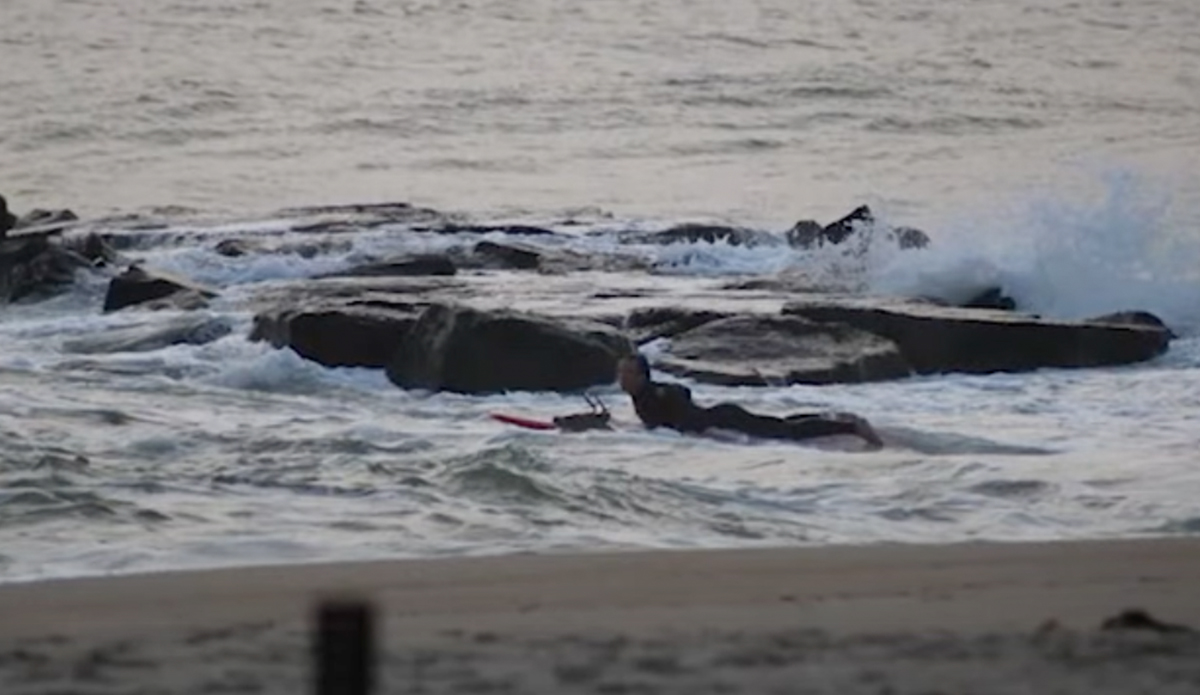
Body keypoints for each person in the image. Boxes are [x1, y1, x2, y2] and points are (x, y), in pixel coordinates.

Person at [616, 353, 883, 448]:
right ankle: (837, 418)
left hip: (725, 419)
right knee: (780, 425)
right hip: (721, 418)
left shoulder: (652, 394)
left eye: (627, 373)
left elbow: (679, 393)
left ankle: (851, 427)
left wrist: (688, 425)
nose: (622, 378)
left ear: (641, 376)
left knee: (786, 433)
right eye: (620, 373)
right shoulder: (641, 396)